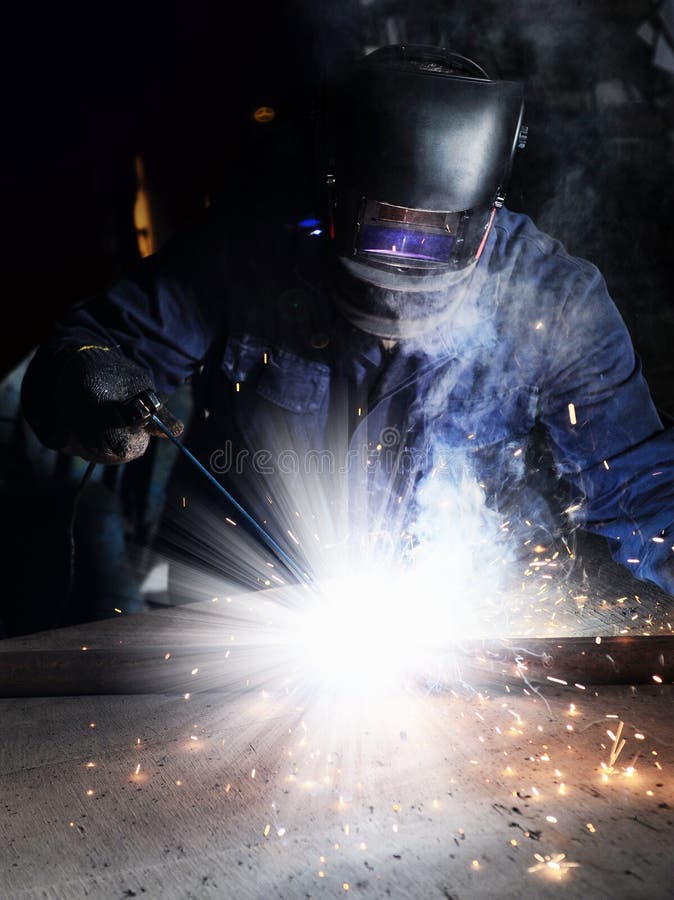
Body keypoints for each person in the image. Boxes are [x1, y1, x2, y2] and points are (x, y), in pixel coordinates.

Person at [19, 44, 674, 615]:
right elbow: (90, 345)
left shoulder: (555, 303)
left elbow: (646, 492)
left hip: (447, 622)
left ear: (485, 210)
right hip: (238, 609)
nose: (397, 299)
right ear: (331, 194)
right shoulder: (252, 250)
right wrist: (83, 379)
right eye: (381, 238)